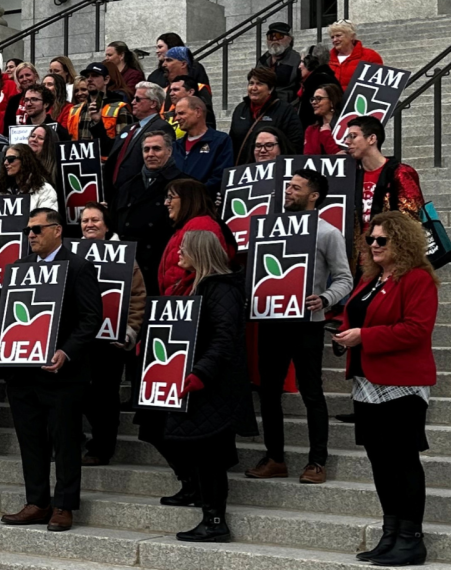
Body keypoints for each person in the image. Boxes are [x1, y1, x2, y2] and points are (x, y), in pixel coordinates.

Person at [0, 208, 102, 532]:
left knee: (64, 441)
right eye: (28, 230)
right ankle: (37, 501)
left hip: (62, 375)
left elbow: (91, 319)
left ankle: (64, 505)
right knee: (30, 440)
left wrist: (66, 351)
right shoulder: (19, 269)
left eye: (37, 229)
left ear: (57, 230)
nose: (30, 234)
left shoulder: (78, 267)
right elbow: (7, 317)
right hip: (23, 373)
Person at [333, 212, 438, 566]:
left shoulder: (417, 279)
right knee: (380, 462)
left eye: (382, 240)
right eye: (371, 240)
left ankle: (411, 538)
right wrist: (346, 335)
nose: (374, 245)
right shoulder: (372, 279)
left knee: (402, 460)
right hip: (367, 383)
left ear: (402, 243)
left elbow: (416, 329)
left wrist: (365, 336)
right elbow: (359, 316)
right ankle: (390, 532)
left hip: (402, 385)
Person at [137, 230, 256, 543]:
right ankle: (192, 487)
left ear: (199, 253)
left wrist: (201, 372)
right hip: (189, 381)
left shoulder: (222, 290)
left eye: (183, 249)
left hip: (213, 386)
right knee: (153, 425)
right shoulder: (190, 285)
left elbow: (224, 338)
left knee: (209, 453)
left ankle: (215, 520)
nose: (177, 255)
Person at [246, 169, 353, 485]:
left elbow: (345, 278)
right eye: (287, 185)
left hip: (306, 324)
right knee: (268, 392)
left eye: (295, 186)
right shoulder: (269, 227)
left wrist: (325, 298)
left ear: (314, 195)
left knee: (312, 392)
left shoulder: (327, 232)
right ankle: (275, 457)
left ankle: (317, 461)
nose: (288, 190)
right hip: (271, 320)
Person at [78, 203, 146, 465]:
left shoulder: (125, 256)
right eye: (85, 221)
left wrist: (128, 331)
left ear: (107, 225)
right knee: (81, 392)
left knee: (106, 396)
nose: (89, 225)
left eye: (95, 220)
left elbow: (138, 296)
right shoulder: (70, 253)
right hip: (80, 341)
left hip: (111, 341)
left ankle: (102, 447)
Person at [114, 131, 187, 297]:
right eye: (146, 150)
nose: (150, 154)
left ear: (169, 151)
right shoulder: (127, 187)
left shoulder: (185, 186)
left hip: (163, 270)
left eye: (156, 149)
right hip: (131, 271)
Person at [345, 116, 425, 230]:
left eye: (353, 136)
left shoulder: (401, 173)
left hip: (390, 244)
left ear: (372, 139)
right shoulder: (353, 176)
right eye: (347, 137)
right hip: (359, 246)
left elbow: (411, 220)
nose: (347, 142)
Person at [159, 179, 235, 294]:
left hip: (189, 301)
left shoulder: (202, 225)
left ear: (188, 199)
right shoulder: (185, 227)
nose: (166, 203)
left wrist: (182, 296)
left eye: (171, 197)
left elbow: (205, 268)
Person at [104, 81, 175, 202]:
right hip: (116, 193)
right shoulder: (129, 128)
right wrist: (97, 124)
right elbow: (111, 150)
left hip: (138, 194)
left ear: (153, 103)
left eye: (137, 99)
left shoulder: (161, 127)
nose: (132, 102)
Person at [229, 67, 304, 165]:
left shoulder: (285, 110)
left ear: (271, 89)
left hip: (273, 171)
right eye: (251, 83)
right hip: (242, 171)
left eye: (259, 84)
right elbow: (232, 141)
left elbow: (295, 144)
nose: (254, 88)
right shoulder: (240, 109)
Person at [64, 62, 132, 153]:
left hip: (106, 164)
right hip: (80, 162)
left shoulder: (119, 108)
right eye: (87, 76)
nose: (89, 79)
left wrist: (97, 123)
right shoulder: (75, 110)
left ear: (106, 79)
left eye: (95, 76)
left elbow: (122, 146)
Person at [171, 96, 233, 196]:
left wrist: (193, 196)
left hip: (205, 204)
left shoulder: (220, 141)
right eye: (176, 114)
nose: (176, 118)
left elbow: (220, 177)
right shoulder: (176, 145)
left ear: (198, 112)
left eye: (181, 113)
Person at [0, 143, 58, 210]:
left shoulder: (45, 190)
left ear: (25, 161)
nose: (6, 163)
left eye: (11, 159)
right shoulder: (3, 190)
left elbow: (48, 218)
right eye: (5, 159)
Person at [328, 20, 383, 89]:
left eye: (338, 36)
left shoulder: (370, 56)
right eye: (332, 37)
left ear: (351, 36)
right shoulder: (327, 59)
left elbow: (378, 86)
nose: (334, 40)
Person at [257, 22, 302, 104]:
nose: (274, 39)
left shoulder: (296, 59)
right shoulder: (262, 60)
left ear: (289, 39)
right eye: (271, 36)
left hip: (288, 107)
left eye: (279, 36)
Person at [298, 54, 340, 128]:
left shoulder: (318, 80)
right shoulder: (326, 77)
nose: (299, 66)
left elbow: (306, 115)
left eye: (302, 61)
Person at [304, 83, 344, 155]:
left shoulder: (346, 127)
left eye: (319, 98)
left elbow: (342, 158)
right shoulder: (311, 130)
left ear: (332, 101)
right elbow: (308, 158)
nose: (313, 102)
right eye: (313, 99)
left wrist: (325, 135)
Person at [4, 62, 44, 127]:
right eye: (21, 77)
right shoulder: (13, 101)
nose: (25, 79)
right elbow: (7, 126)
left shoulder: (44, 96)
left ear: (36, 76)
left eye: (28, 75)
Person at [26, 122, 62, 187]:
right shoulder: (21, 163)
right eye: (33, 136)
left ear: (49, 144)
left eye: (40, 138)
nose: (34, 139)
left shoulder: (57, 170)